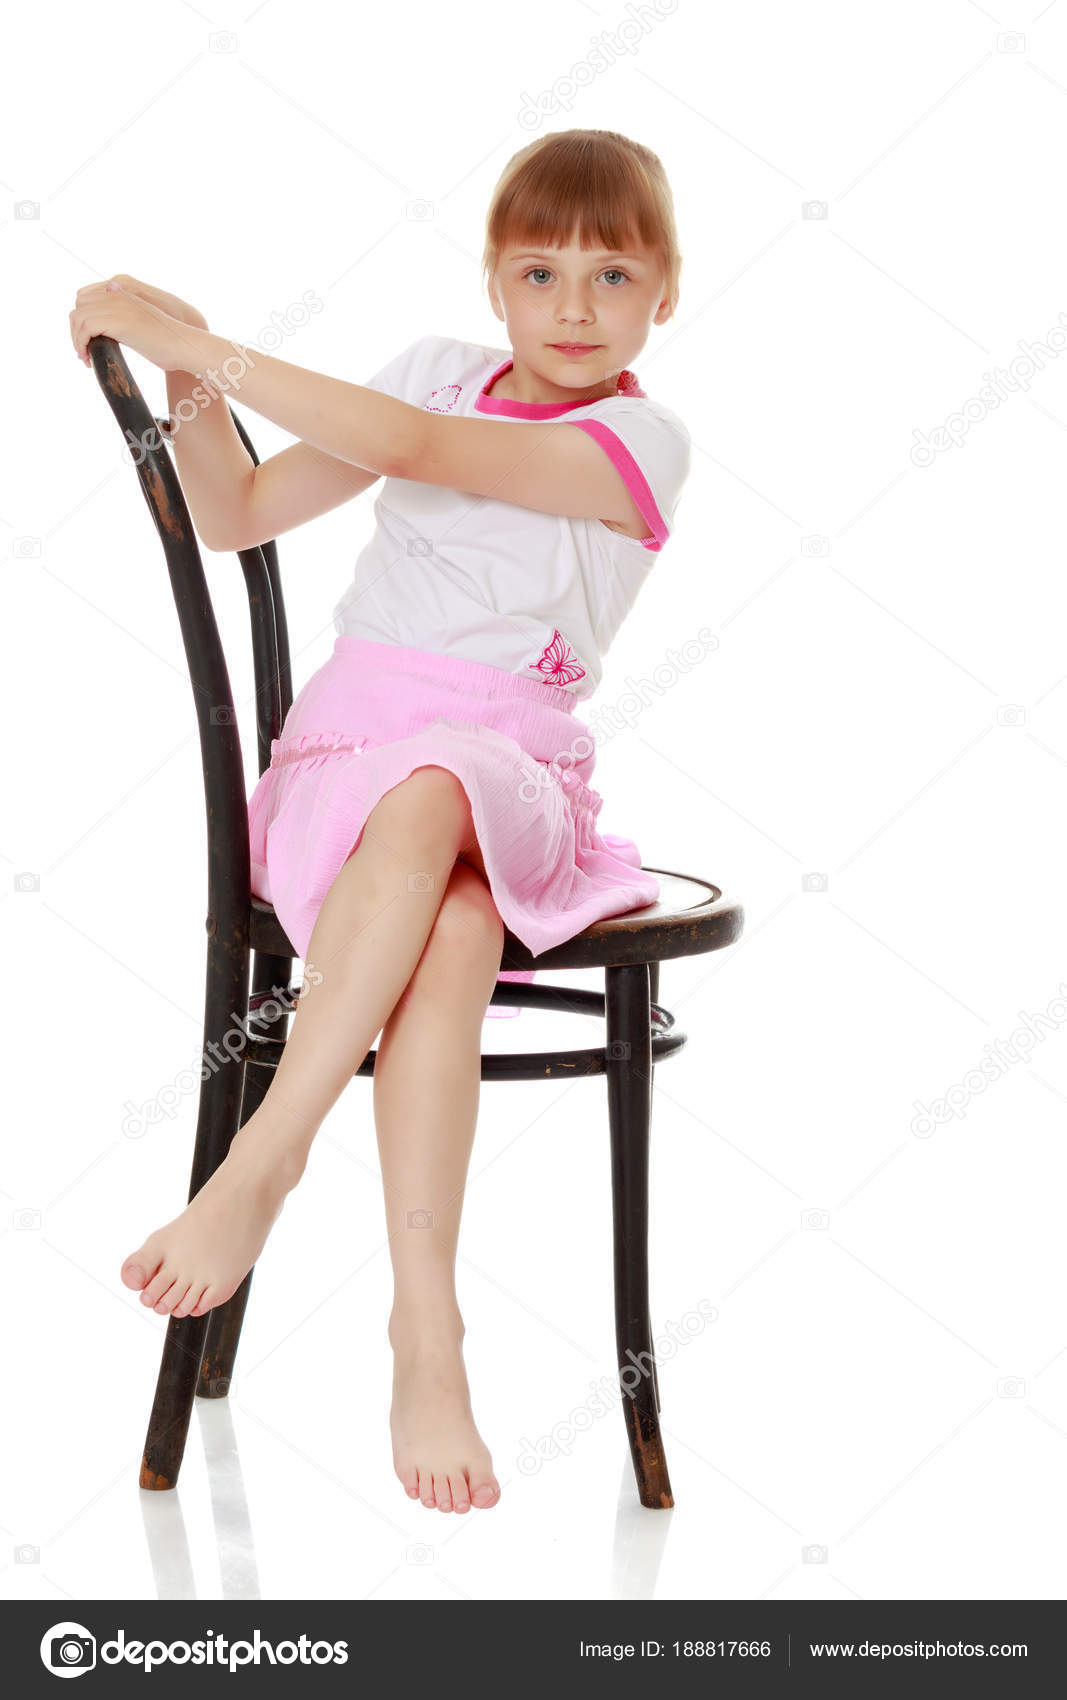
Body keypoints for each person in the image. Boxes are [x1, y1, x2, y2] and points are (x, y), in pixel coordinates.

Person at [69, 127, 692, 1516]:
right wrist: (192, 380)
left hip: (513, 778)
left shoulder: (637, 440)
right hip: (348, 766)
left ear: (665, 295)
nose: (574, 308)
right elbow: (235, 515)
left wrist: (209, 336)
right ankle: (428, 1327)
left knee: (443, 794)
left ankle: (267, 1154)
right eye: (540, 273)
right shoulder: (426, 369)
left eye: (612, 276)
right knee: (452, 924)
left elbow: (413, 449)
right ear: (494, 285)